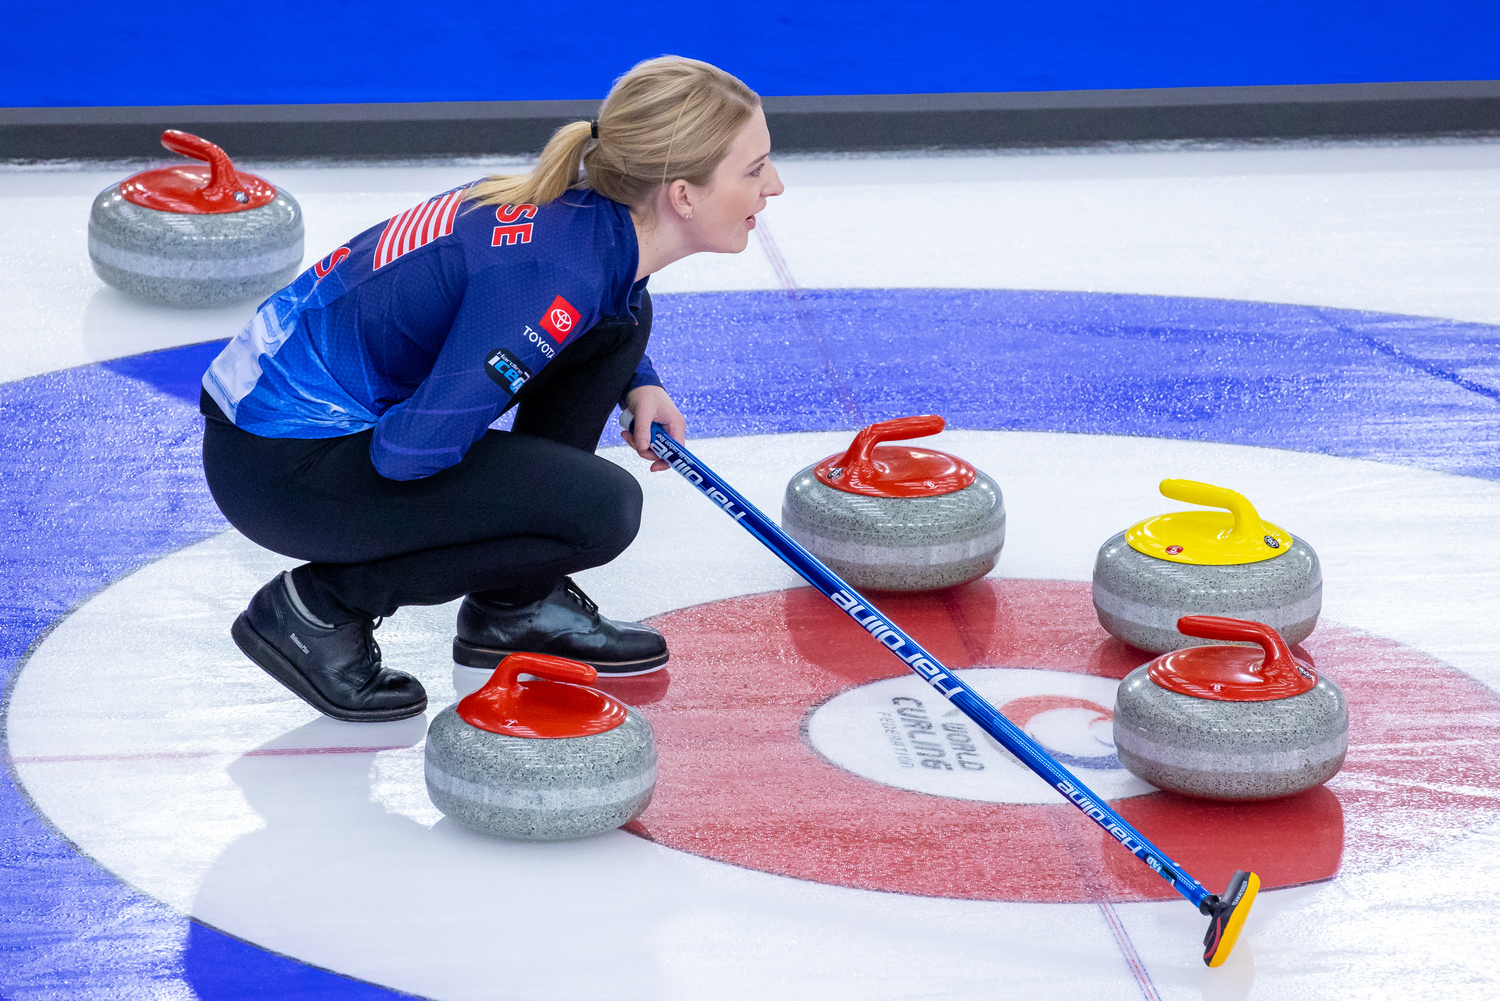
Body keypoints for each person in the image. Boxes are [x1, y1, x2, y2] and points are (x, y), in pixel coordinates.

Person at [199, 56, 785, 723]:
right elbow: (411, 451)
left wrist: (636, 380)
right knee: (601, 508)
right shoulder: (549, 276)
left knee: (620, 327)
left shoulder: (590, 226)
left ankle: (516, 606)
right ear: (682, 195)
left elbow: (594, 313)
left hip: (280, 432)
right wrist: (524, 502)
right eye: (754, 168)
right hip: (278, 468)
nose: (775, 185)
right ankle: (319, 608)